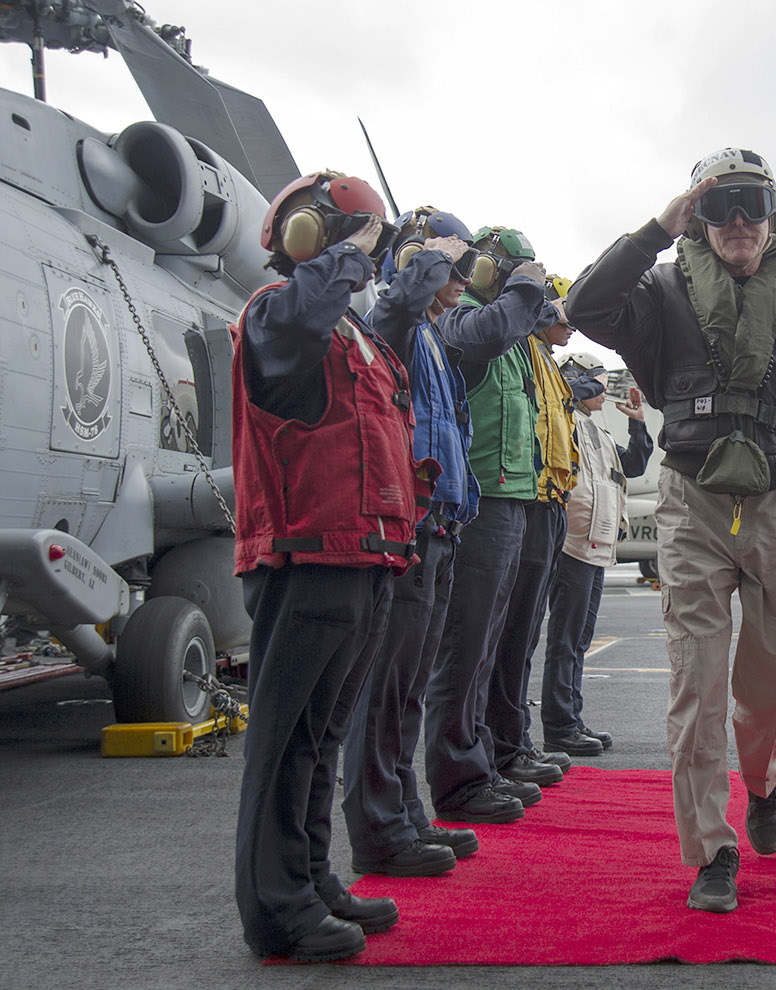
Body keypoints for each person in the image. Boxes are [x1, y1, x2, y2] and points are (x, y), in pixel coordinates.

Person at [565, 148, 776, 914]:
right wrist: (659, 227)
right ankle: (711, 849)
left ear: (774, 212)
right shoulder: (661, 290)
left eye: (751, 205)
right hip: (693, 502)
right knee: (696, 687)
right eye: (719, 206)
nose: (737, 222)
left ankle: (760, 779)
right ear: (699, 215)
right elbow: (584, 309)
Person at [231, 171, 414, 962]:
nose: (368, 258)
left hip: (362, 551)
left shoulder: (353, 333)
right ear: (310, 239)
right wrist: (355, 252)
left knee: (320, 736)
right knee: (284, 742)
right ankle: (278, 909)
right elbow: (302, 318)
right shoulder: (278, 314)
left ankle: (311, 880)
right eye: (354, 237)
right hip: (305, 553)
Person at [341, 207, 497, 879]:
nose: (461, 278)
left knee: (406, 686)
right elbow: (396, 302)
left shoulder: (432, 336)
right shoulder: (396, 319)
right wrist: (421, 252)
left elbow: (449, 426)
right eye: (448, 266)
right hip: (406, 528)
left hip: (437, 523)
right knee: (385, 685)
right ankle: (378, 828)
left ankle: (404, 809)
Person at [424, 225, 557, 822]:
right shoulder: (467, 321)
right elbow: (485, 335)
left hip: (512, 499)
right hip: (477, 503)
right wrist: (524, 295)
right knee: (466, 645)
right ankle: (459, 777)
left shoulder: (511, 331)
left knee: (488, 645)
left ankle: (483, 758)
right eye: (514, 270)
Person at [483, 275, 583, 766]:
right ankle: (505, 746)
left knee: (524, 634)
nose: (569, 325)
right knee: (509, 633)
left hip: (549, 499)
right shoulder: (519, 348)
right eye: (561, 311)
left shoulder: (542, 359)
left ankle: (514, 740)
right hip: (530, 499)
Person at [541, 353, 654, 754]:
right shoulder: (565, 418)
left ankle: (571, 719)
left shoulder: (597, 431)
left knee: (579, 639)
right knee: (566, 638)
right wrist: (589, 381)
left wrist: (637, 423)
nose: (606, 392)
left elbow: (634, 465)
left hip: (597, 545)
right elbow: (570, 390)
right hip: (573, 543)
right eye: (601, 383)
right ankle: (560, 724)